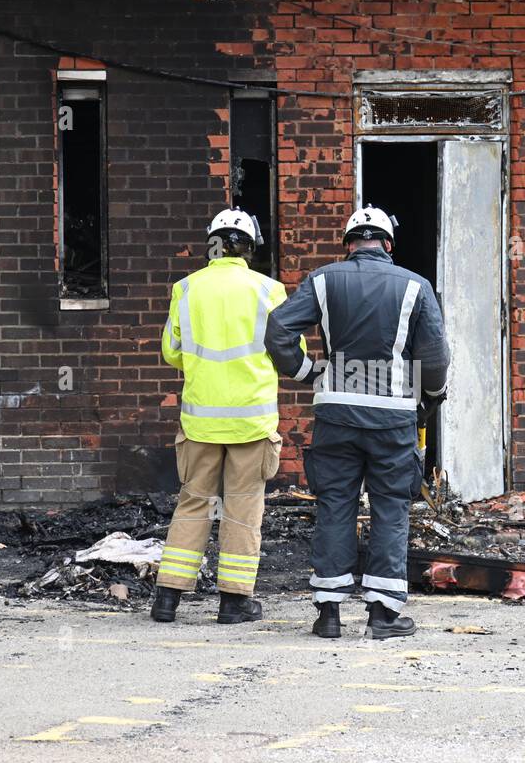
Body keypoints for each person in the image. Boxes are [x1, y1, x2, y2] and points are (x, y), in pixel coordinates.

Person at [265, 205, 450, 640]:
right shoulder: (415, 285)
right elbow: (435, 354)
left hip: (337, 415)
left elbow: (277, 329)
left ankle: (328, 612)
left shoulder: (325, 279)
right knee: (390, 508)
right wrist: (433, 395)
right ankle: (383, 615)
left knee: (335, 504)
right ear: (387, 244)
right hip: (393, 418)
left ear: (349, 244)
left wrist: (307, 371)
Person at [155, 208, 296, 625]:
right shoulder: (269, 290)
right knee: (243, 506)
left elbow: (171, 352)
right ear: (250, 248)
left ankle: (167, 599)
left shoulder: (186, 288)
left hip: (200, 420)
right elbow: (290, 351)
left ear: (211, 245)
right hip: (251, 422)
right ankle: (234, 603)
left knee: (193, 502)